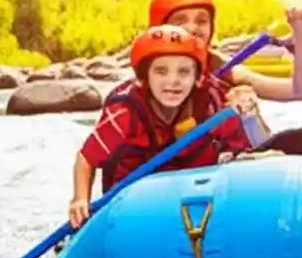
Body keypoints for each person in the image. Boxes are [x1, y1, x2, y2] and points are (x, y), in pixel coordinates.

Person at [68, 25, 254, 228]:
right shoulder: (124, 114)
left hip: (193, 202)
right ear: (144, 77)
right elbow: (86, 159)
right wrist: (80, 199)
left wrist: (246, 109)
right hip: (134, 208)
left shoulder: (212, 103)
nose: (173, 81)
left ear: (197, 78)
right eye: (161, 71)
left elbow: (245, 151)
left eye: (184, 72)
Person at [148, 0, 302, 155]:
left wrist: (301, 44)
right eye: (180, 21)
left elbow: (301, 91)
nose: (194, 28)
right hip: (187, 167)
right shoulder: (149, 79)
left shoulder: (224, 69)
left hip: (236, 162)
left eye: (201, 21)